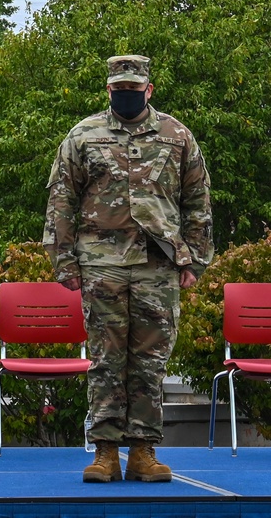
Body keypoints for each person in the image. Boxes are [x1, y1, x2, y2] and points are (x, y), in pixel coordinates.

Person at [43, 54, 212, 483]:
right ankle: (104, 453)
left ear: (148, 90)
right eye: (120, 90)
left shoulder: (176, 135)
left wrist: (196, 259)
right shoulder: (84, 135)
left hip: (159, 263)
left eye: (134, 91)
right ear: (108, 90)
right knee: (105, 358)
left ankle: (143, 452)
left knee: (151, 361)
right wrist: (64, 261)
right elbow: (62, 199)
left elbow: (197, 200)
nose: (127, 96)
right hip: (102, 262)